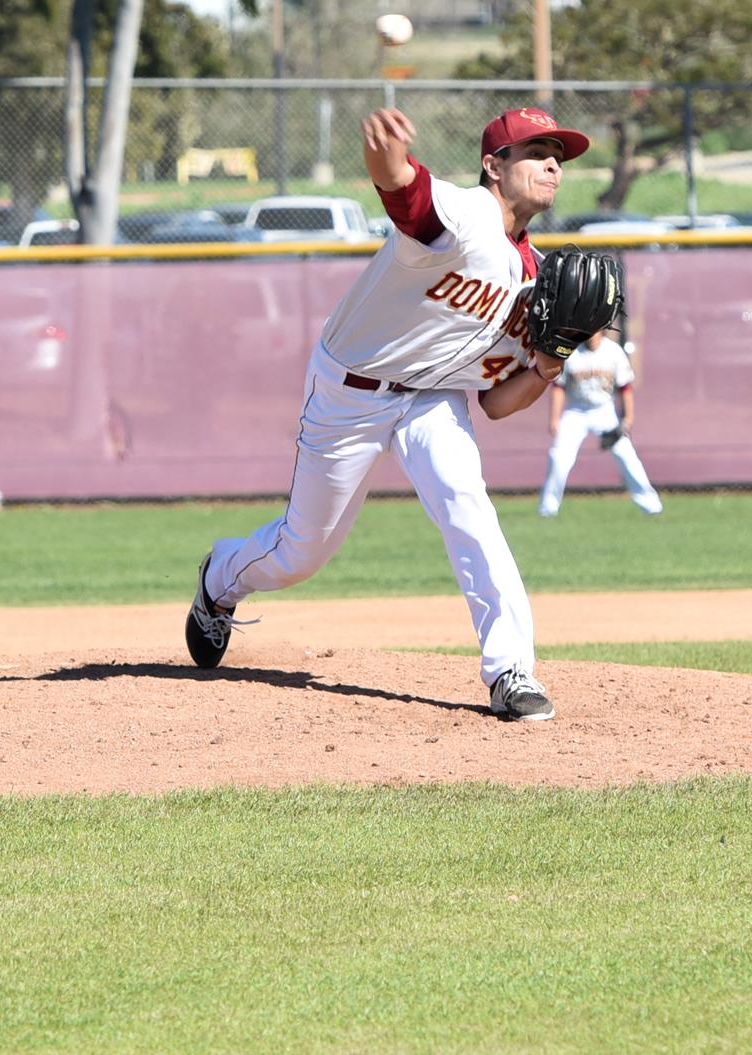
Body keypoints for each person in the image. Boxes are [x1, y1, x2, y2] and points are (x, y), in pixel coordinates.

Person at [184, 106, 592, 721]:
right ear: (493, 165)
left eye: (558, 155)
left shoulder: (534, 280)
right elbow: (402, 191)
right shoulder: (466, 214)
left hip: (434, 397)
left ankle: (511, 671)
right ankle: (220, 581)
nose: (552, 164)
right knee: (302, 552)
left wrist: (547, 364)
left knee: (468, 508)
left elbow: (495, 404)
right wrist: (386, 153)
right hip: (350, 390)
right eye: (536, 152)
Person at [537, 328, 663, 518]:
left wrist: (628, 418)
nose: (591, 335)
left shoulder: (613, 352)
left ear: (601, 331)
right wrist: (554, 418)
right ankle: (548, 507)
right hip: (576, 411)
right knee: (559, 456)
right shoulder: (572, 352)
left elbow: (625, 387)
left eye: (594, 331)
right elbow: (558, 387)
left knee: (626, 454)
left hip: (604, 410)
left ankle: (651, 505)